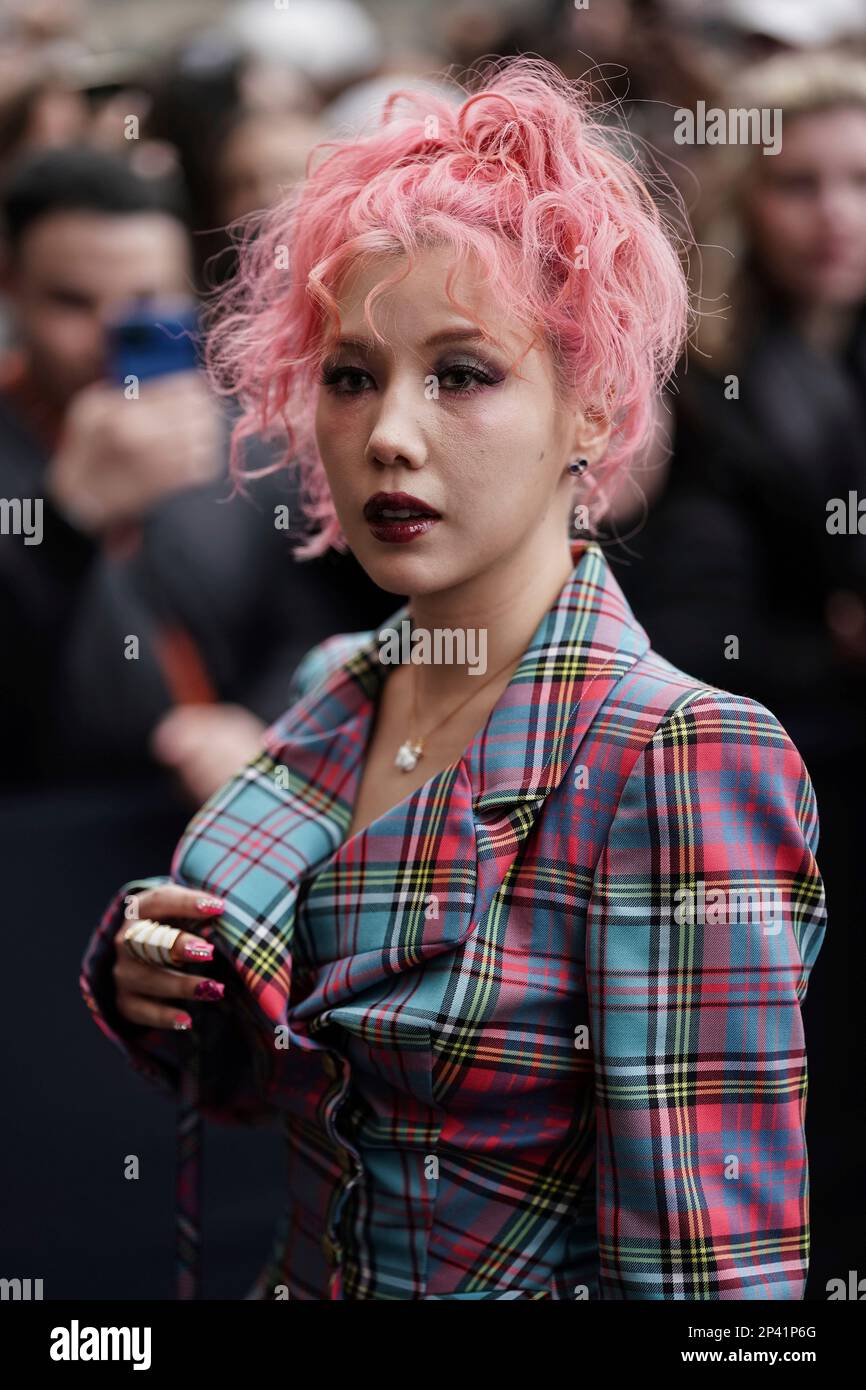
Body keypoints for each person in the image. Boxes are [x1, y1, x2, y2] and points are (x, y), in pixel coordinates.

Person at [80, 57, 826, 1300]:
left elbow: (712, 1284)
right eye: (350, 375)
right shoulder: (336, 686)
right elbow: (308, 1083)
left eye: (463, 373)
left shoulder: (674, 758)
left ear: (591, 410)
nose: (387, 432)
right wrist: (161, 972)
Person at [607, 50, 866, 1298]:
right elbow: (683, 642)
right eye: (797, 183)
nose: (832, 215)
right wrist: (834, 645)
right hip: (774, 816)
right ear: (743, 201)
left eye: (857, 182)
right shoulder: (703, 392)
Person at [0, 145, 391, 798]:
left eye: (146, 303)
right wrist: (65, 521)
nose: (110, 339)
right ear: (11, 286)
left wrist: (263, 730)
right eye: (72, 303)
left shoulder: (249, 439)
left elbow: (309, 623)